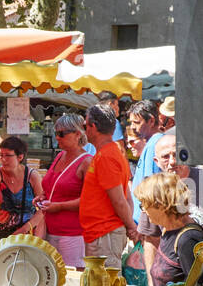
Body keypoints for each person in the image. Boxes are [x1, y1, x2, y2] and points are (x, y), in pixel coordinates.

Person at [137, 130, 203, 286]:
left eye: (177, 155)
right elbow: (151, 239)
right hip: (170, 283)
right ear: (156, 161)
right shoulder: (153, 191)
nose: (172, 161)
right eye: (166, 157)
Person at [79, 103, 136, 268]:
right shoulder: (111, 153)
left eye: (85, 125)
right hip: (103, 233)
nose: (84, 130)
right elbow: (126, 196)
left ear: (93, 127)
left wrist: (131, 227)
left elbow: (120, 200)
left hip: (104, 234)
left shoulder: (106, 156)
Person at [135, 171, 203, 286]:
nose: (143, 210)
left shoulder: (188, 239)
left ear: (161, 205)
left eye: (144, 204)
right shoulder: (167, 231)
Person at [39, 115, 91, 266]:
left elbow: (89, 200)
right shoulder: (60, 155)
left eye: (61, 134)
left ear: (77, 133)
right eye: (56, 133)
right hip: (50, 230)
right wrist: (43, 196)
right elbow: (54, 186)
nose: (57, 137)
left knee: (71, 279)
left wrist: (59, 206)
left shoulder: (86, 161)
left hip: (72, 234)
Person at [126, 101, 163, 224]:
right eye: (131, 122)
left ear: (151, 121)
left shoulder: (154, 144)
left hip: (147, 222)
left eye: (136, 122)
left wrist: (145, 227)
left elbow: (151, 190)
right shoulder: (152, 143)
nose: (132, 127)